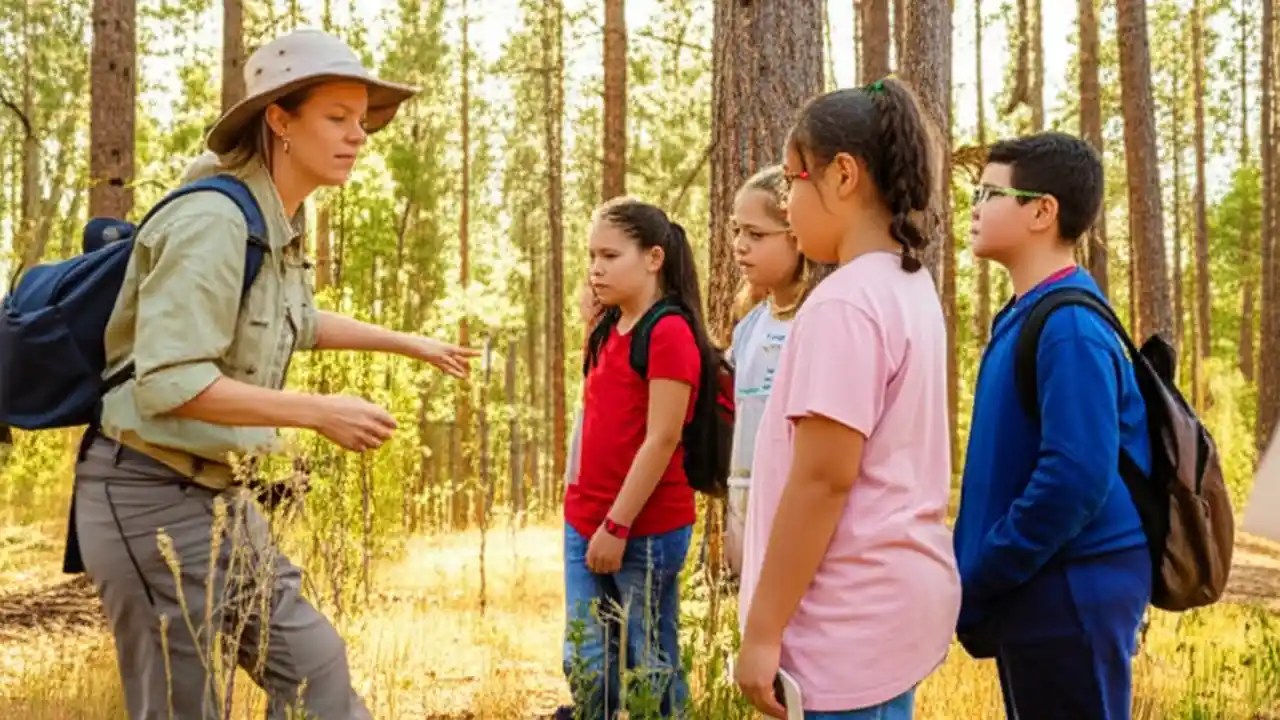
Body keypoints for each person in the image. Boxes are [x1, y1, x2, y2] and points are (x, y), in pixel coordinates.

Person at [72, 29, 478, 720]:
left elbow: (297, 320)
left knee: (316, 667)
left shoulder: (275, 220)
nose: (359, 136)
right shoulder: (213, 222)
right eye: (337, 117)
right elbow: (168, 381)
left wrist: (409, 343)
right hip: (145, 492)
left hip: (217, 496)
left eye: (363, 119)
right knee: (184, 704)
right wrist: (317, 411)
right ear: (280, 121)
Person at [733, 79, 961, 720]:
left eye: (789, 181)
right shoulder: (907, 288)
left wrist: (763, 632)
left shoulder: (844, 304)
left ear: (841, 175)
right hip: (885, 610)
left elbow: (821, 481)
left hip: (843, 626)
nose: (786, 199)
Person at [954, 131, 1151, 719]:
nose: (975, 206)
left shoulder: (1067, 324)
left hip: (1070, 591)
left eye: (990, 193)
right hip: (1039, 587)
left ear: (1043, 211)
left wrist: (989, 566)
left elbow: (1075, 477)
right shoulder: (1030, 313)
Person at [559, 198, 710, 719]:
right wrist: (582, 510)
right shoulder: (607, 327)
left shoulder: (668, 332)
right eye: (591, 256)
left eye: (610, 255)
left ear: (653, 258)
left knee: (652, 669)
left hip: (642, 531)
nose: (596, 268)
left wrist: (617, 525)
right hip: (584, 521)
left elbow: (661, 439)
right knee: (587, 663)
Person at [724, 165, 829, 578]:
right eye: (737, 231)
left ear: (796, 236)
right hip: (745, 498)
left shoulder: (819, 320)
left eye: (756, 234)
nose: (739, 246)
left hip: (794, 507)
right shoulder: (748, 326)